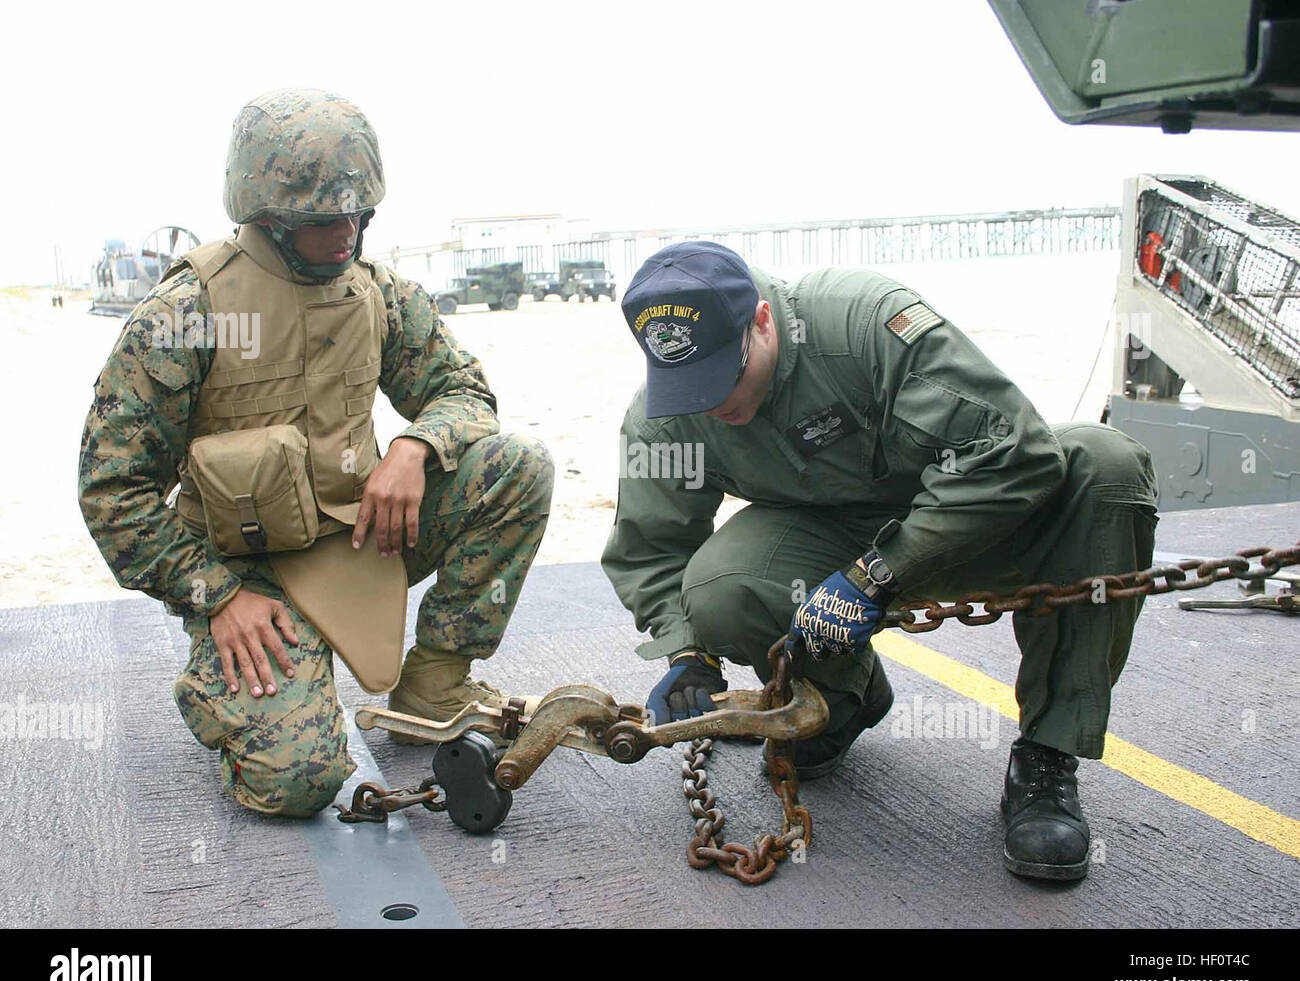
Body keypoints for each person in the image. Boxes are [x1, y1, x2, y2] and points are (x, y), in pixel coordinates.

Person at [601, 241, 1157, 880]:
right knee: (721, 591)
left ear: (762, 320)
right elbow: (652, 549)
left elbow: (1012, 450)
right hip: (831, 537)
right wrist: (688, 654)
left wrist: (877, 575)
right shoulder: (665, 419)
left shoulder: (865, 320)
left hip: (979, 516)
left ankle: (1047, 758)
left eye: (726, 372)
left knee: (1107, 466)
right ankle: (839, 699)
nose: (712, 402)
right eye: (689, 384)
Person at [78, 89, 553, 818]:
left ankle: (435, 682)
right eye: (325, 221)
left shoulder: (378, 293)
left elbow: (463, 391)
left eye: (360, 216)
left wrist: (414, 446)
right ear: (268, 216)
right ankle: (225, 689)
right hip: (247, 571)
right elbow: (113, 489)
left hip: (362, 532)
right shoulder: (189, 312)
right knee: (296, 782)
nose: (347, 235)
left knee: (518, 467)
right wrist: (217, 595)